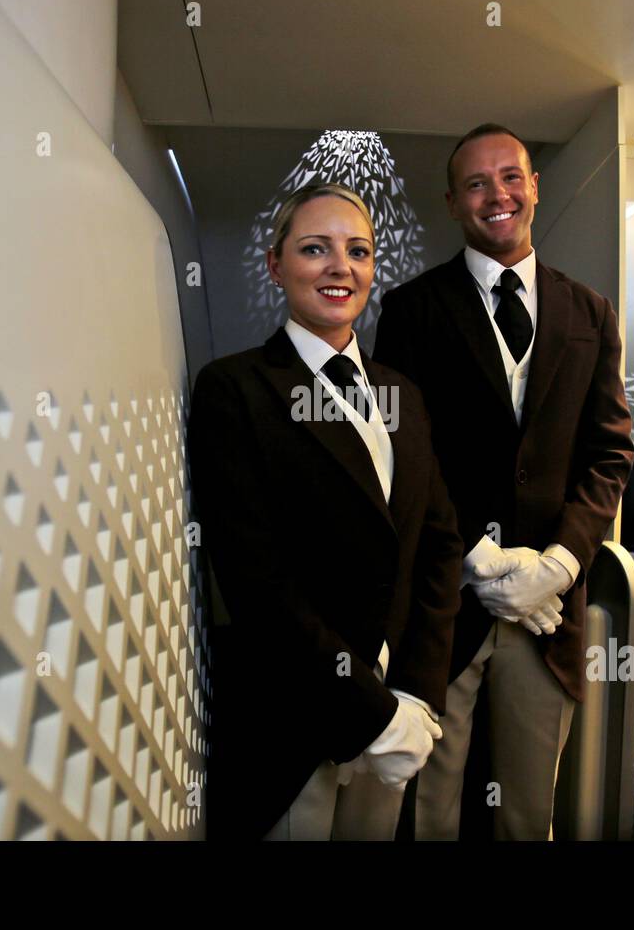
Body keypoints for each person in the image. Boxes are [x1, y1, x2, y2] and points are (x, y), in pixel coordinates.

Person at [373, 124, 634, 840]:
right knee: (427, 806)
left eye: (511, 176)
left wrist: (560, 563)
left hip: (548, 614)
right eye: (478, 183)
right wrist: (472, 560)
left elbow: (609, 453)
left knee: (528, 810)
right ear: (454, 201)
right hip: (445, 601)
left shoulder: (591, 313)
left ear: (534, 186)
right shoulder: (412, 311)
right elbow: (404, 453)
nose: (498, 194)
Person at [188, 182, 464, 840]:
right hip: (294, 722)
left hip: (398, 709)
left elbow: (440, 545)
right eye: (316, 249)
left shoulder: (403, 393)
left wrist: (417, 697)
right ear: (275, 264)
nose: (341, 266)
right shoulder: (234, 388)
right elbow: (257, 581)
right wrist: (370, 711)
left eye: (358, 251)